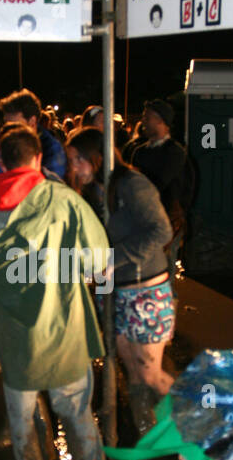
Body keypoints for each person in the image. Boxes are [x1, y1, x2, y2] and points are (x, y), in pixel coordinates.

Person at [0, 124, 114, 460]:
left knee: (22, 419)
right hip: (66, 335)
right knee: (78, 414)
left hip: (15, 341)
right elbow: (100, 264)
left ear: (1, 160)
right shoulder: (66, 201)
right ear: (38, 159)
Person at [66, 127, 175, 436]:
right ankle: (150, 431)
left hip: (146, 292)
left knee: (149, 372)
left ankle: (208, 423)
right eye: (71, 161)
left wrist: (111, 260)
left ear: (96, 157)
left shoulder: (132, 184)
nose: (73, 168)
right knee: (133, 370)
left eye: (78, 160)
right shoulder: (92, 193)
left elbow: (160, 231)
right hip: (114, 292)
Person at [128, 99, 193, 283]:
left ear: (160, 120)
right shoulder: (139, 151)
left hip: (165, 223)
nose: (143, 121)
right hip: (142, 221)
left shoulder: (174, 153)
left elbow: (157, 184)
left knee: (164, 272)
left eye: (147, 117)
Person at [0, 88, 67, 184]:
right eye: (7, 124)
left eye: (15, 124)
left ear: (32, 121)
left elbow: (48, 187)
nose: (9, 129)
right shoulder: (5, 142)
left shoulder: (51, 149)